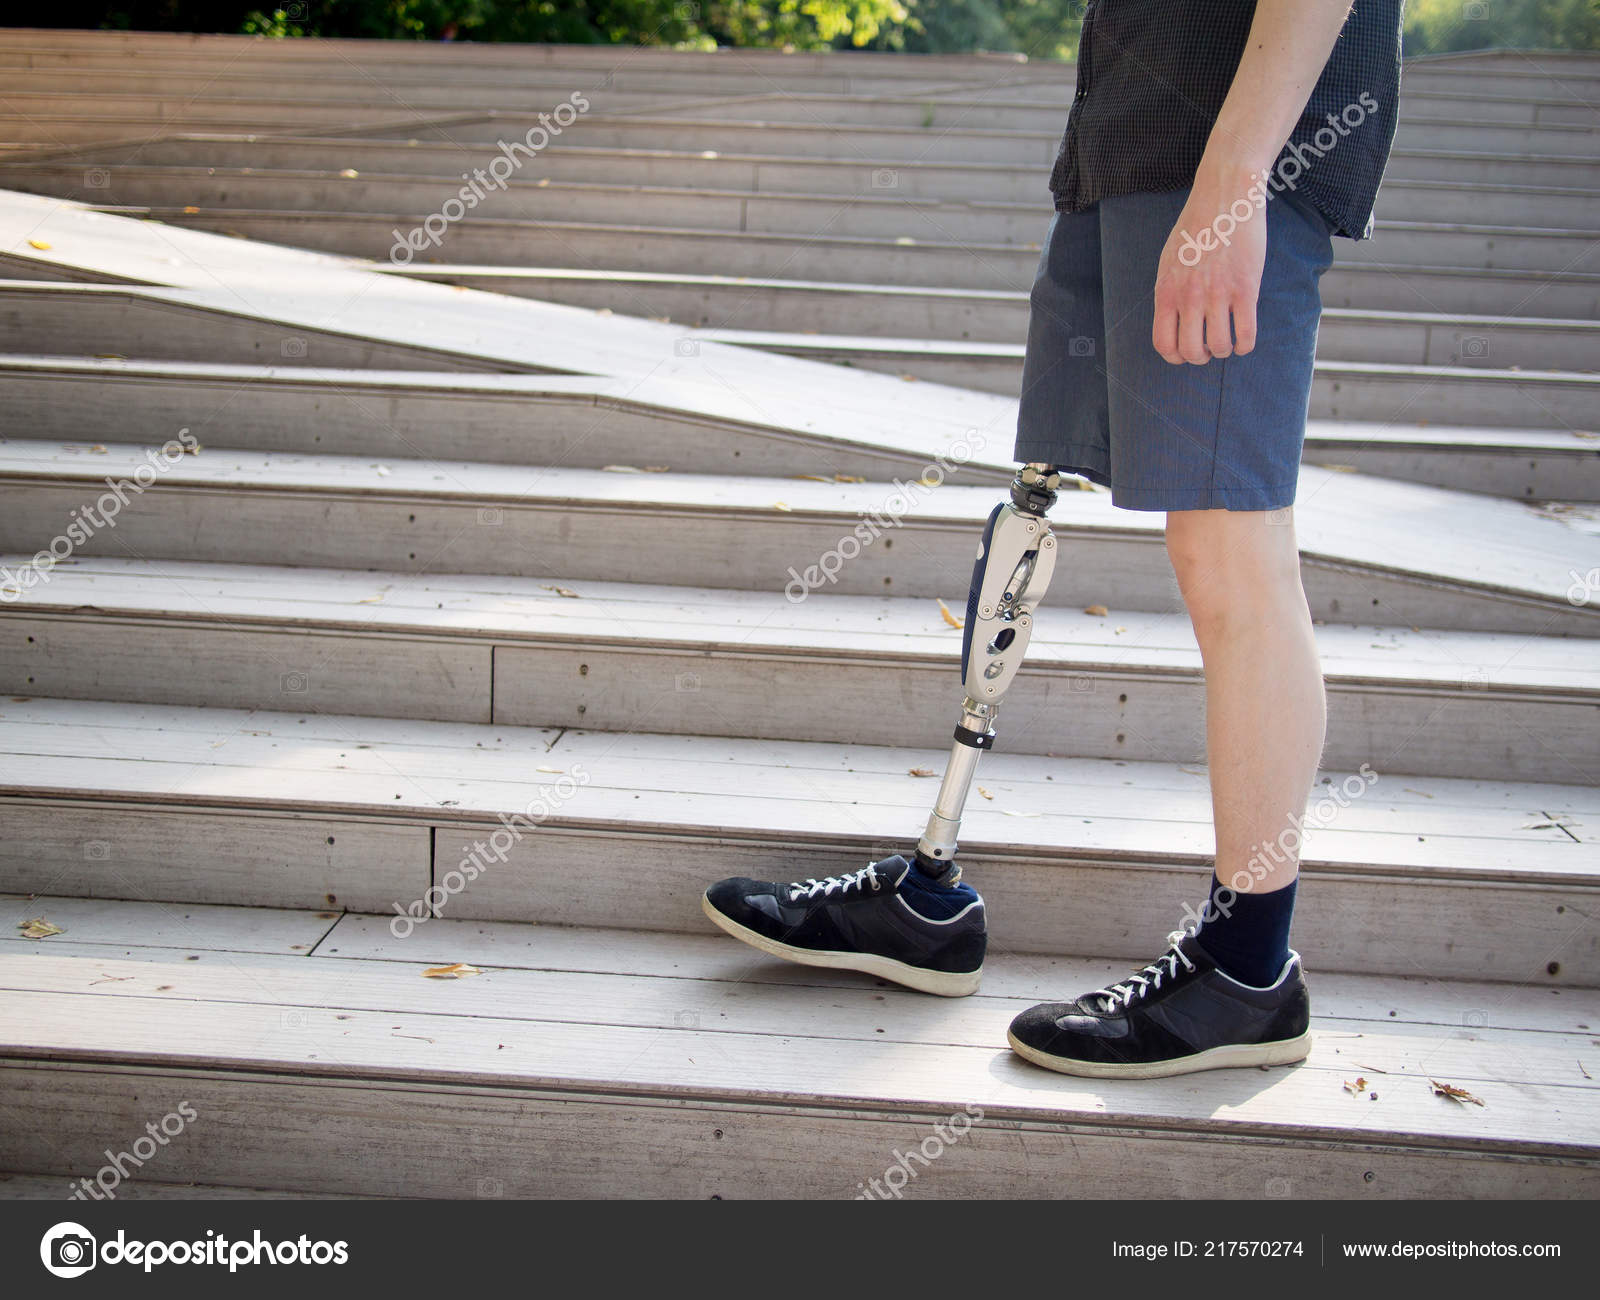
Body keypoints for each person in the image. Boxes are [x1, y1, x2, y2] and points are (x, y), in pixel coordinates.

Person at [701, 0, 1403, 1079]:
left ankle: (1248, 970)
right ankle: (932, 893)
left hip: (1225, 153)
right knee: (1034, 502)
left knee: (1232, 550)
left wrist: (1235, 182)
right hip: (1125, 140)